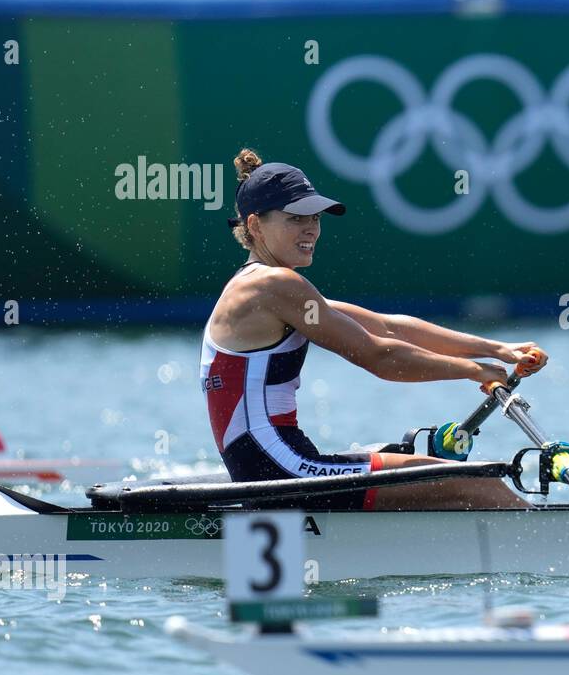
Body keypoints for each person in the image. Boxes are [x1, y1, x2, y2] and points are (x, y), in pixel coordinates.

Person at [200, 148, 546, 509]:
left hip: (271, 468)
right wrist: (474, 370)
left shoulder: (262, 289)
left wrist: (497, 350)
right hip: (280, 473)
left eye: (315, 218)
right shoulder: (274, 286)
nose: (311, 229)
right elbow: (380, 356)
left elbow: (389, 327)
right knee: (478, 485)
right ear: (255, 225)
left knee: (402, 456)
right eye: (296, 218)